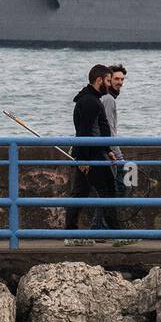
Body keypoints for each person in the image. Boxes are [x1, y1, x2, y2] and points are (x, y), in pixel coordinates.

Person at [66, 64, 118, 231]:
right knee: (107, 192)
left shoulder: (90, 99)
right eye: (108, 81)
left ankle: (71, 232)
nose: (109, 85)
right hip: (92, 155)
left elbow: (98, 129)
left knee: (81, 193)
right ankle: (118, 234)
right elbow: (85, 131)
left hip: (94, 153)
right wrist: (83, 158)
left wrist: (108, 150)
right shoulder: (90, 102)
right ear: (99, 80)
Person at [91, 65, 128, 229]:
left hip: (104, 151)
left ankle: (101, 228)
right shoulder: (108, 99)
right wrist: (116, 154)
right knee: (114, 190)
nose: (120, 82)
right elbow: (107, 129)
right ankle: (100, 227)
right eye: (116, 79)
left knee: (107, 192)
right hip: (109, 153)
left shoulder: (107, 98)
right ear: (108, 80)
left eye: (122, 79)